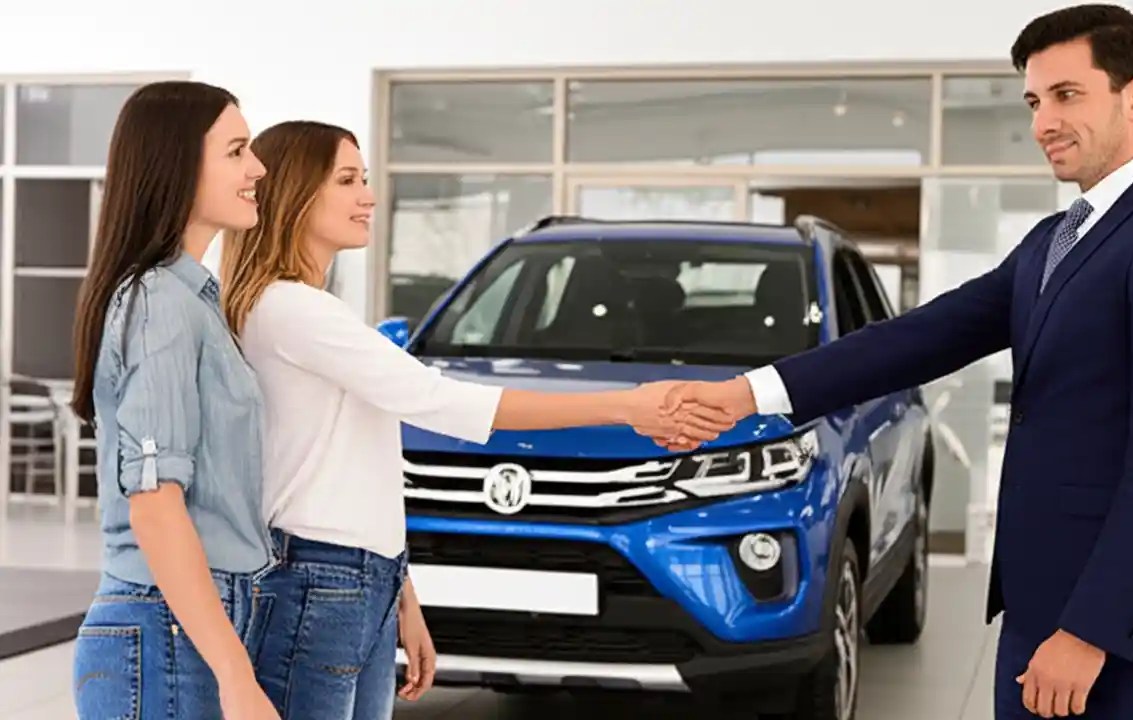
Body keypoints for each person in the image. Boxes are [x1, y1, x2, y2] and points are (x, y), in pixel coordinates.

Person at [668, 5, 1133, 719]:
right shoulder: (1053, 241)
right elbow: (918, 337)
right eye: (1035, 101)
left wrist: (1091, 631)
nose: (1043, 122)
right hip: (1039, 620)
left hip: (1127, 640)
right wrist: (746, 394)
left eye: (1067, 95)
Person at [217, 120, 731, 720]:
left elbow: (357, 474)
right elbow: (443, 401)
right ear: (297, 195)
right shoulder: (292, 310)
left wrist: (400, 595)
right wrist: (627, 406)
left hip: (355, 580)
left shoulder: (311, 310)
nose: (370, 196)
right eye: (348, 180)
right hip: (319, 582)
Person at [68, 81, 280, 719]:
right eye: (238, 151)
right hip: (167, 628)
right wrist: (235, 675)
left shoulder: (192, 301)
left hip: (189, 621)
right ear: (178, 166)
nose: (258, 168)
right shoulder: (160, 303)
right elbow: (156, 509)